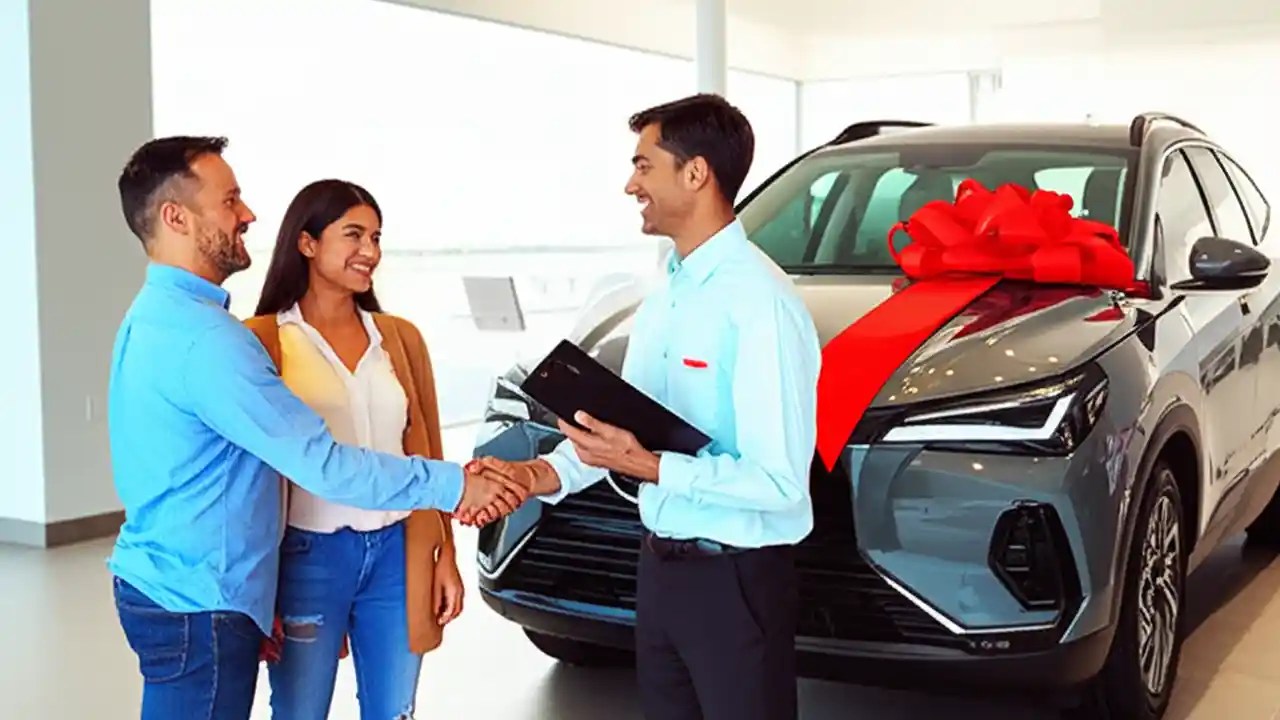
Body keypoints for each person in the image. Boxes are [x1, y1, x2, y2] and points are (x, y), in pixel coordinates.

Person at [107, 136, 527, 720]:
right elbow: (321, 464)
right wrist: (459, 486)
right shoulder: (216, 340)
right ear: (175, 216)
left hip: (181, 584)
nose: (248, 214)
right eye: (230, 201)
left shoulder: (158, 316)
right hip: (201, 597)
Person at [470, 94, 821, 720]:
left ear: (696, 173)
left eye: (643, 165)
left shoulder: (761, 304)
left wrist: (652, 466)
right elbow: (625, 436)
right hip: (660, 569)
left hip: (736, 581)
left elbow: (780, 482)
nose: (631, 183)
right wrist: (539, 474)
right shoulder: (665, 293)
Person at [242, 179, 461, 719]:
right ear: (307, 243)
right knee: (300, 711)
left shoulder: (400, 339)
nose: (371, 252)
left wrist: (444, 554)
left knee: (394, 710)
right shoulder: (264, 340)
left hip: (397, 551)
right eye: (354, 235)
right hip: (307, 555)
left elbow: (427, 451)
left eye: (377, 237)